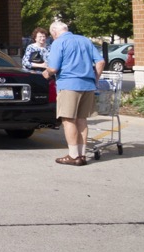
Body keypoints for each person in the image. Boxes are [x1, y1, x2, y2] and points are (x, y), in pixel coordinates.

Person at [42, 20, 104, 166]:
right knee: (82, 120)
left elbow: (53, 68)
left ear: (54, 32)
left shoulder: (59, 43)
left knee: (68, 120)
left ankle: (73, 155)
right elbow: (100, 62)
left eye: (52, 35)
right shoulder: (85, 40)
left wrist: (45, 73)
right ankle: (82, 155)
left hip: (68, 84)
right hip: (88, 85)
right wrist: (95, 79)